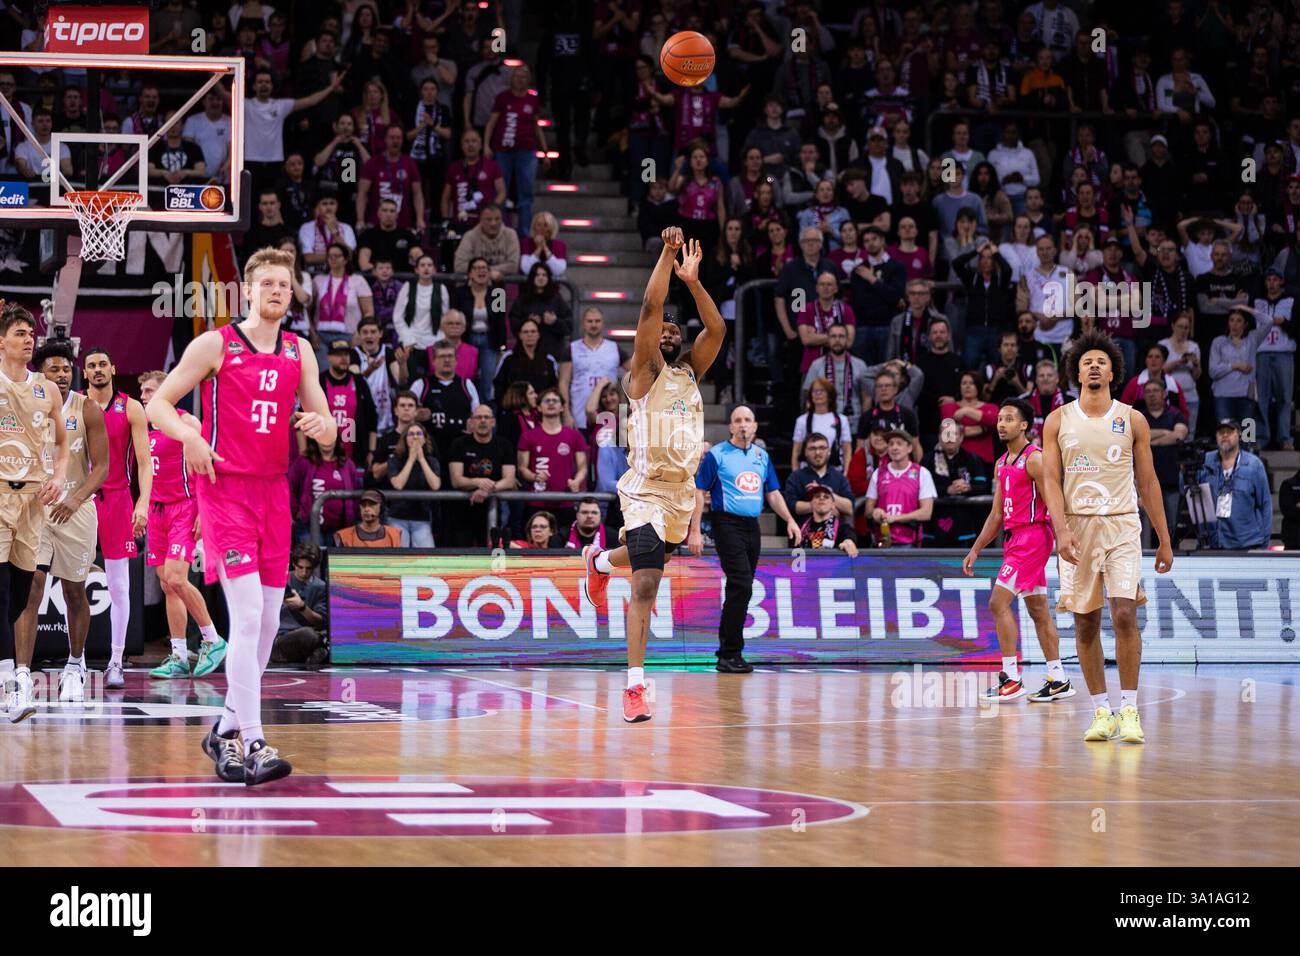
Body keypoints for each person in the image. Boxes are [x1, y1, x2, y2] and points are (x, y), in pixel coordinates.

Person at [147, 246, 339, 786]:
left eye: (286, 284)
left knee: (270, 623)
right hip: (224, 490)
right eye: (268, 284)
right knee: (249, 613)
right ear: (248, 291)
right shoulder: (216, 343)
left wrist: (323, 427)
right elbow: (161, 404)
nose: (278, 291)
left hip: (273, 492)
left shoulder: (299, 350)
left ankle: (224, 729)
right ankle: (253, 739)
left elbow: (324, 416)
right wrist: (188, 436)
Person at [581, 230, 724, 722]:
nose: (665, 332)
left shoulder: (690, 373)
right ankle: (635, 688)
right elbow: (648, 304)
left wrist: (694, 282)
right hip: (644, 489)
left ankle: (597, 564)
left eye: (672, 331)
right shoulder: (642, 372)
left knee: (648, 556)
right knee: (646, 583)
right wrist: (666, 254)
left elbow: (718, 329)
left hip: (680, 494)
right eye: (659, 329)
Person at [1041, 330, 1173, 746]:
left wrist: (1165, 539)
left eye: (1101, 361)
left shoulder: (1132, 418)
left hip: (1121, 523)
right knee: (1085, 624)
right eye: (1086, 362)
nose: (1093, 366)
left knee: (1124, 614)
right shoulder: (1058, 419)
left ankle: (1129, 709)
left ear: (1113, 372)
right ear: (1076, 372)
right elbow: (1050, 479)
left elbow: (1148, 481)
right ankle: (1101, 710)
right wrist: (1060, 529)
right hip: (1076, 527)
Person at [963, 379, 1071, 704]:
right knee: (1038, 610)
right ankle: (1059, 678)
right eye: (999, 419)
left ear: (1024, 424)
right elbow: (996, 515)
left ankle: (1011, 678)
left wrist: (1065, 535)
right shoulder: (1001, 464)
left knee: (998, 602)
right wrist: (977, 548)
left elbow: (1055, 499)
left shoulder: (1034, 459)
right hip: (1015, 538)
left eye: (1009, 418)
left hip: (1034, 536)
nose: (1001, 424)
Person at [12, 341, 106, 707]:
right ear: (40, 373)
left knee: (73, 591)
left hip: (76, 507)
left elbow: (102, 468)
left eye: (67, 368)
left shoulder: (88, 409)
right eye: (55, 369)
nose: (63, 375)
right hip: (35, 508)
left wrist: (75, 497)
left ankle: (74, 664)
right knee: (31, 587)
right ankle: (22, 675)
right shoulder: (25, 404)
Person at [687, 404, 800, 673]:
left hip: (752, 525)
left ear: (755, 426)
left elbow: (772, 493)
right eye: (737, 420)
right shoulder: (717, 455)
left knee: (741, 586)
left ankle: (729, 653)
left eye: (747, 420)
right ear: (730, 426)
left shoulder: (762, 457)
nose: (742, 424)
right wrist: (693, 531)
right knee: (741, 583)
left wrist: (790, 520)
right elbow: (699, 491)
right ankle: (729, 652)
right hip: (726, 523)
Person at [0, 304, 69, 722]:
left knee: (21, 594)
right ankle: (13, 682)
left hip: (34, 500)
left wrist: (60, 476)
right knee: (2, 589)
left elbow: (62, 442)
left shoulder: (48, 388)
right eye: (21, 333)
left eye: (31, 333)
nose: (30, 339)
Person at [137, 372, 228, 680]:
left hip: (184, 507)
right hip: (156, 510)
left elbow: (207, 468)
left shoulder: (186, 423)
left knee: (177, 577)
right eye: (142, 391)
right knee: (166, 584)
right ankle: (178, 654)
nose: (144, 395)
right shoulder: (144, 427)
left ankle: (213, 640)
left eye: (151, 390)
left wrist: (205, 511)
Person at [84, 348, 151, 690]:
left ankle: (115, 661)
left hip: (119, 499)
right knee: (71, 580)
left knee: (119, 585)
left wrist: (143, 501)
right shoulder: (77, 405)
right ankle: (76, 661)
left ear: (113, 368)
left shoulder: (132, 407)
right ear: (85, 373)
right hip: (82, 498)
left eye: (102, 364)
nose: (97, 370)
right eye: (91, 366)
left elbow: (144, 461)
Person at [516, 387, 587, 534]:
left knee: (564, 551)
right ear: (539, 407)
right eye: (547, 400)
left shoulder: (574, 435)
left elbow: (583, 466)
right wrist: (535, 476)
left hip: (565, 502)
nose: (551, 403)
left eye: (555, 400)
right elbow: (522, 468)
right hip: (536, 502)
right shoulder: (528, 436)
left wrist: (577, 481)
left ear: (562, 407)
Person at [1196, 419, 1273, 550]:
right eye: (1221, 432)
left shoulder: (1254, 465)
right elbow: (1185, 490)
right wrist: (1184, 471)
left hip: (1246, 543)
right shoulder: (1204, 461)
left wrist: (1264, 543)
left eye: (1229, 432)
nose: (1225, 435)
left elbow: (1265, 504)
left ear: (1239, 434)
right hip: (1213, 542)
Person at [447, 405, 518, 547]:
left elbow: (510, 480)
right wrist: (477, 481)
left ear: (493, 422)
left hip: (492, 510)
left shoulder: (505, 445)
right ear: (471, 422)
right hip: (462, 512)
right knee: (462, 557)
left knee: (490, 554)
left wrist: (486, 490)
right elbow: (456, 480)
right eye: (478, 417)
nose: (483, 421)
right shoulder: (458, 444)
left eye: (486, 417)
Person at [1136, 380, 1188, 549]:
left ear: (1164, 393)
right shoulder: (1139, 417)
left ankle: (1171, 555)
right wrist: (1166, 434)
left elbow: (1179, 436)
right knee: (1143, 527)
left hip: (1170, 480)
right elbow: (1133, 438)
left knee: (1170, 524)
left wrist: (1148, 439)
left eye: (1156, 390)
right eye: (1148, 391)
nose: (1152, 394)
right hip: (1144, 483)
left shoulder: (1175, 415)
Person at [864, 429, 936, 546]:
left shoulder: (922, 473)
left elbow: (926, 512)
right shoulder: (878, 473)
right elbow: (868, 511)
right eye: (891, 444)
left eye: (899, 443)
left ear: (909, 448)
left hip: (910, 543)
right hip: (882, 542)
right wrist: (875, 512)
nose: (894, 447)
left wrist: (896, 518)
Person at [928, 417, 991, 549]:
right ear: (939, 437)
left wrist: (968, 487)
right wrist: (947, 490)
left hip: (965, 527)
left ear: (961, 437)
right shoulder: (928, 460)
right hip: (934, 528)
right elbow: (920, 489)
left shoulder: (972, 459)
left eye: (954, 434)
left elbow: (984, 487)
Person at [414, 341, 479, 459]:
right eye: (442, 356)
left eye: (450, 356)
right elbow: (406, 413)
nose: (447, 360)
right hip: (430, 448)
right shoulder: (421, 385)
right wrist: (416, 415)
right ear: (433, 360)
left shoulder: (467, 384)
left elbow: (478, 413)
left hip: (462, 448)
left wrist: (474, 423)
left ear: (456, 360)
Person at [801, 323, 871, 435]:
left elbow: (866, 398)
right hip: (824, 426)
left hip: (853, 425)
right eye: (833, 336)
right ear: (828, 340)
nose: (837, 340)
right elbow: (808, 396)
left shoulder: (860, 365)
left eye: (841, 336)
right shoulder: (817, 365)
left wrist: (864, 425)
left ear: (847, 339)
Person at [565, 308, 627, 430]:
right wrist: (566, 413)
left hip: (610, 414)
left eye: (597, 321)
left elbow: (634, 374)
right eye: (590, 321)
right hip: (579, 413)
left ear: (603, 323)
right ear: (583, 323)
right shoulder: (572, 348)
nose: (593, 324)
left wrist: (624, 395)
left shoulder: (614, 348)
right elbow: (563, 382)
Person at [289, 436, 358, 543]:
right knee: (313, 558)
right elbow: (290, 486)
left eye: (330, 437)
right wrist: (296, 511)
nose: (327, 441)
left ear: (337, 439)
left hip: (340, 528)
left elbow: (356, 492)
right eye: (323, 437)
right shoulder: (304, 462)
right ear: (315, 439)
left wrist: (353, 516)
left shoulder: (347, 464)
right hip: (309, 526)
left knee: (334, 560)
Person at [273, 544, 329, 666]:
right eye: (301, 567)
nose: (304, 572)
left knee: (312, 635)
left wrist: (302, 607)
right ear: (294, 564)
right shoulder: (280, 580)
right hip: (281, 638)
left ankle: (313, 653)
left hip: (308, 634)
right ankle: (314, 653)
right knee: (308, 635)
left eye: (309, 568)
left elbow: (320, 622)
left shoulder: (320, 587)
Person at [386, 423, 440, 547]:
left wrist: (421, 459)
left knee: (426, 557)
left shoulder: (432, 461)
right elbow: (398, 484)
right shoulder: (395, 460)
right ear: (405, 439)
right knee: (399, 559)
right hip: (397, 517)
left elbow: (435, 485)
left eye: (419, 434)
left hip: (422, 517)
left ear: (425, 439)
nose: (415, 437)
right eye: (411, 434)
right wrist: (411, 458)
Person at [782, 432, 855, 519]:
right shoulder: (795, 477)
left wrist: (828, 492)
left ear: (829, 451)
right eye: (812, 448)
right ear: (805, 452)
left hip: (836, 531)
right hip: (804, 530)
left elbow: (850, 508)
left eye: (822, 448)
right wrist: (822, 507)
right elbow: (790, 506)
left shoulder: (840, 477)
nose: (817, 452)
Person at [392, 254, 451, 352]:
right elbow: (397, 317)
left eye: (429, 265)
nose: (426, 268)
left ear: (434, 269)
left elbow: (445, 317)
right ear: (416, 270)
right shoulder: (408, 287)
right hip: (411, 339)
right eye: (422, 265)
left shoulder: (441, 288)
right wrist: (407, 338)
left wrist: (442, 337)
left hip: (435, 339)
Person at [792, 378, 851, 470]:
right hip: (807, 471)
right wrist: (795, 473)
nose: (818, 394)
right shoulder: (802, 420)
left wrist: (846, 473)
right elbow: (796, 450)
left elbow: (847, 449)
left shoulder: (841, 420)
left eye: (822, 391)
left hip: (835, 471)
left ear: (830, 395)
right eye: (814, 391)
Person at [493, 318, 560, 398]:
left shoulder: (549, 360)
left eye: (533, 331)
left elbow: (554, 387)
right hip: (514, 407)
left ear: (538, 335)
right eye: (525, 332)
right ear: (520, 335)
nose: (529, 335)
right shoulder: (508, 358)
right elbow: (498, 386)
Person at [794, 484, 859, 556]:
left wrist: (848, 541)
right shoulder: (800, 528)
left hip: (832, 566)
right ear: (811, 503)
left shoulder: (842, 527)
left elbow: (849, 535)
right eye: (817, 496)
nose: (821, 498)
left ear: (833, 505)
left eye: (826, 497)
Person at [334, 489, 405, 547]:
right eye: (363, 505)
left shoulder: (393, 535)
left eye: (371, 505)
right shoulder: (344, 536)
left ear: (381, 508)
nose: (366, 509)